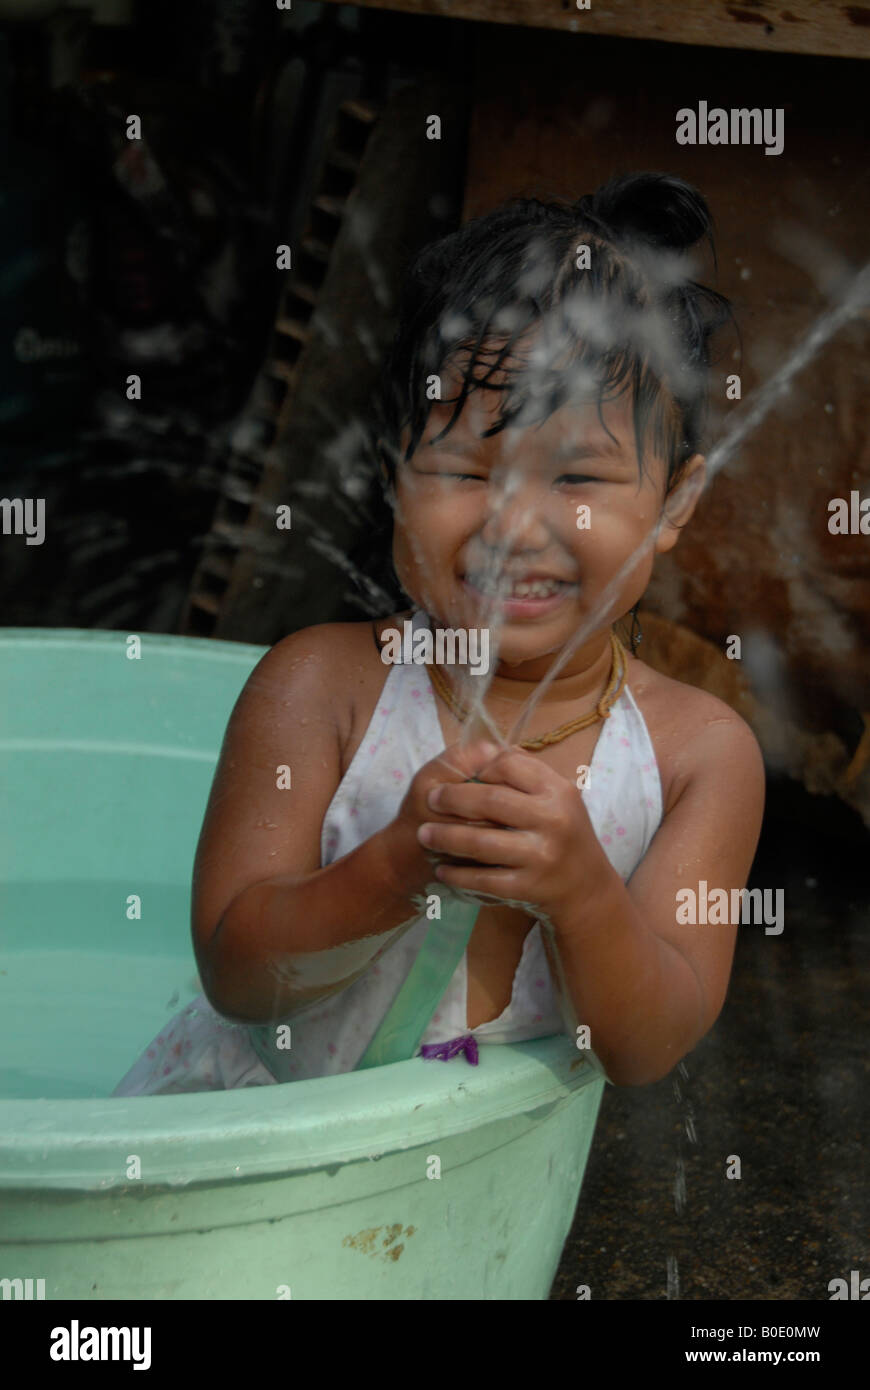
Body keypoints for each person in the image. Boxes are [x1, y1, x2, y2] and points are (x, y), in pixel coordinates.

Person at [113, 171, 765, 1097]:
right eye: (465, 470)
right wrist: (394, 864)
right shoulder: (323, 687)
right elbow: (239, 974)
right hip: (238, 1146)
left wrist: (580, 890)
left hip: (474, 1185)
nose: (513, 527)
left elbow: (646, 1044)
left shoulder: (697, 755)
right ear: (392, 475)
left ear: (676, 502)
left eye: (577, 481)